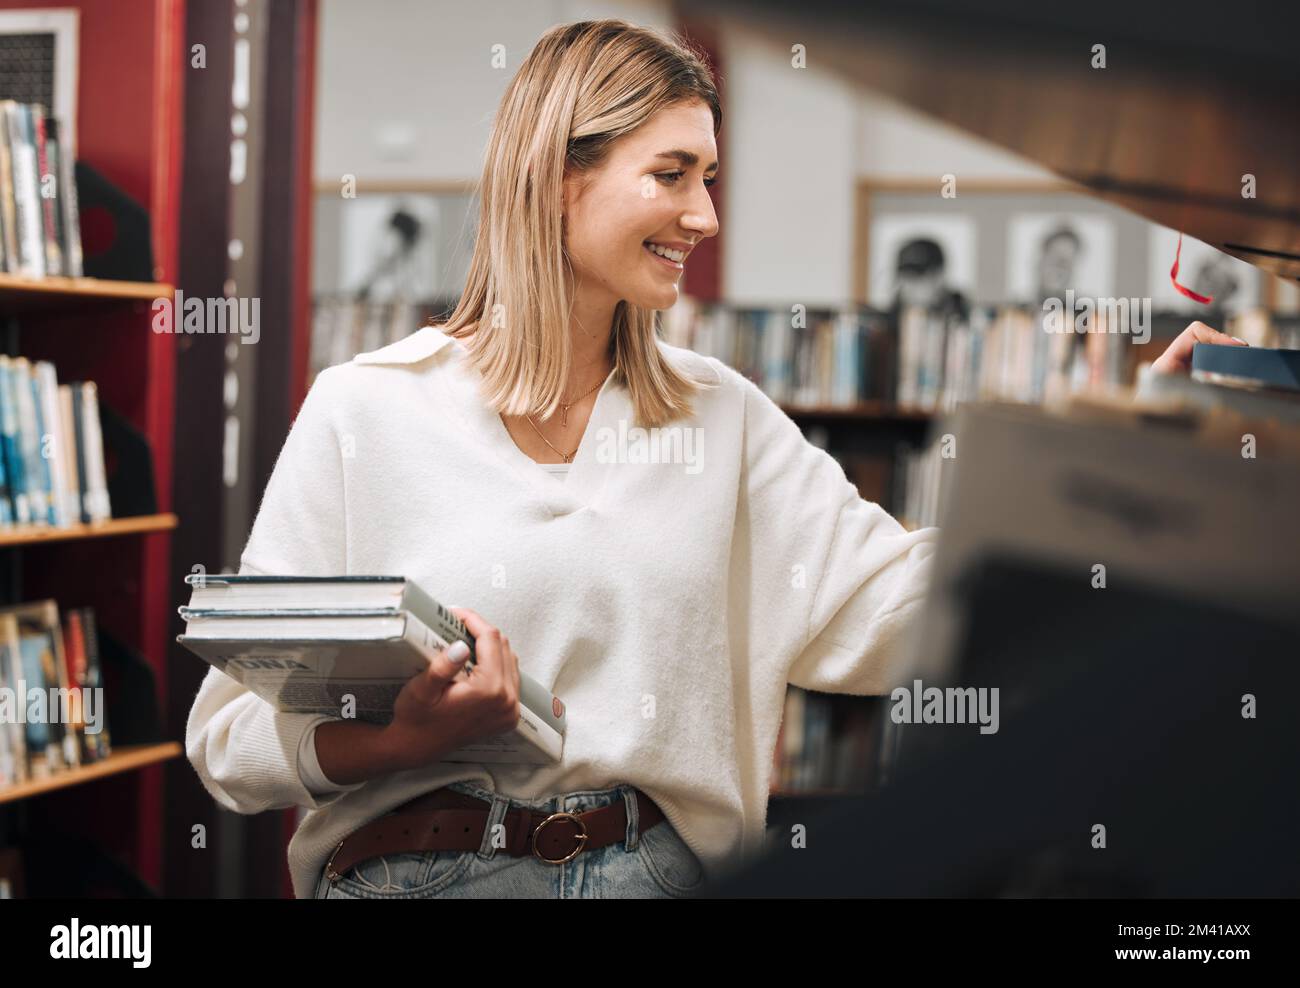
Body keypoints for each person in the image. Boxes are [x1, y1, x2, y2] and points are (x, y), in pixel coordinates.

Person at [184, 19, 1248, 900]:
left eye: (711, 178)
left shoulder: (721, 418)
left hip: (650, 872)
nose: (703, 216)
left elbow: (896, 611)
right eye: (672, 175)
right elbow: (230, 736)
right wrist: (396, 742)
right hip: (408, 875)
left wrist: (1128, 447)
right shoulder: (368, 409)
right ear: (560, 179)